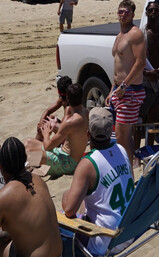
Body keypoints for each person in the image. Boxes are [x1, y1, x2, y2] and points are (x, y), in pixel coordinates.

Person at [62, 108, 134, 256]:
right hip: (129, 231)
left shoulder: (88, 164)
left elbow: (69, 211)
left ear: (88, 134)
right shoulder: (121, 149)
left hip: (106, 241)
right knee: (87, 196)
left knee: (66, 198)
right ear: (110, 133)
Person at [106, 0, 146, 176]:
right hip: (119, 90)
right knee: (119, 135)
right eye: (120, 11)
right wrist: (112, 89)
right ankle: (125, 171)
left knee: (123, 137)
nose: (122, 15)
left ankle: (128, 174)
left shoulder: (135, 34)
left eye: (126, 12)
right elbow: (118, 65)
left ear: (132, 15)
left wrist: (123, 85)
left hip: (130, 91)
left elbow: (140, 63)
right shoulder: (119, 35)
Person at [29, 82, 89, 177]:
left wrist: (46, 133)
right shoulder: (85, 112)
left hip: (69, 164)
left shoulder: (70, 122)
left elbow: (48, 146)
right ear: (82, 97)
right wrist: (55, 124)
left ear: (67, 99)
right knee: (28, 143)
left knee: (29, 156)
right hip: (65, 154)